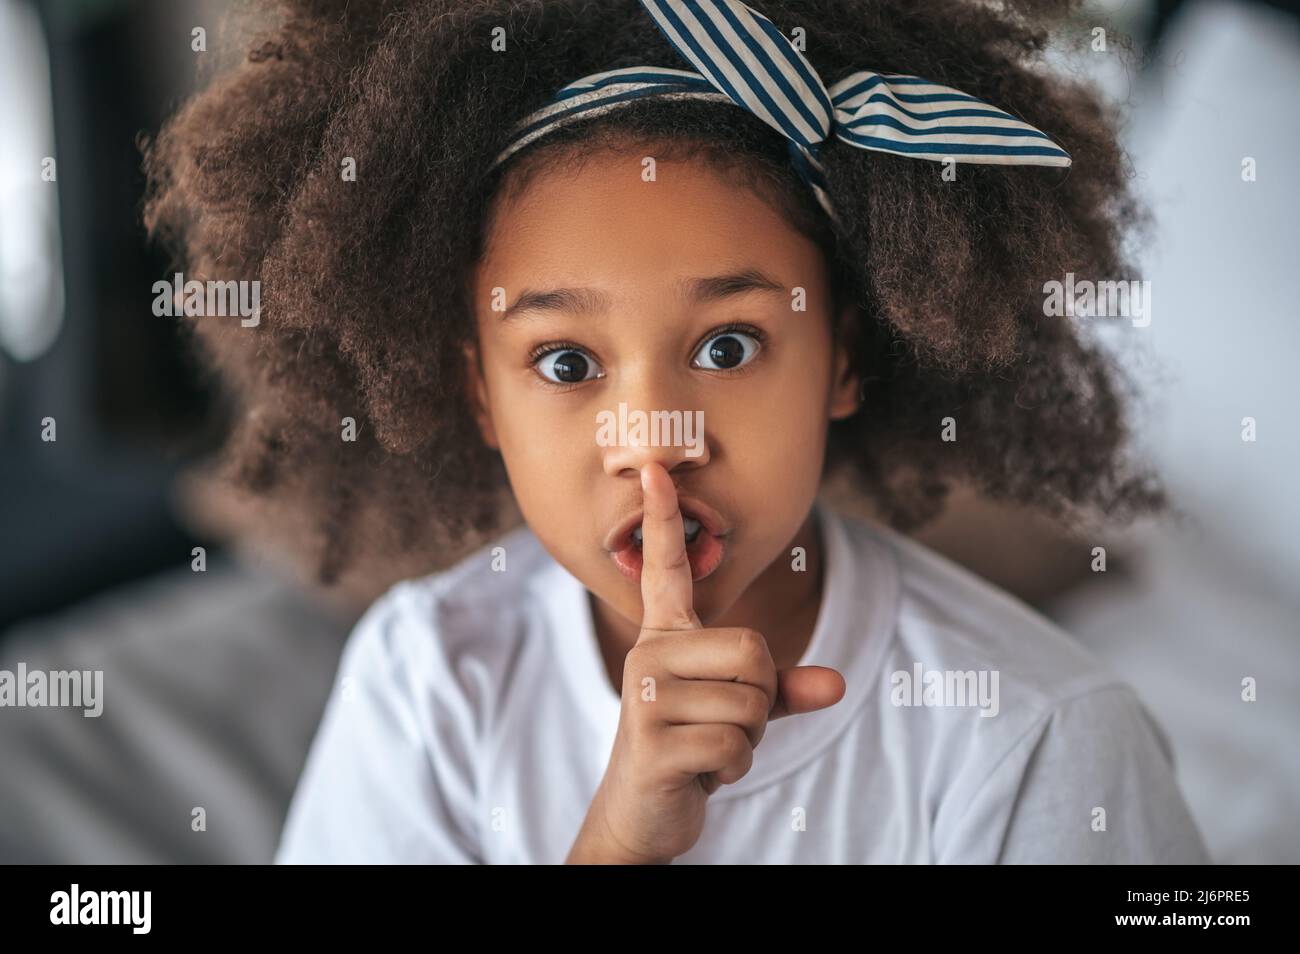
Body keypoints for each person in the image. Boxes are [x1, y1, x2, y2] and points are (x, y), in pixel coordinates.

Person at [143, 0, 1210, 863]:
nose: (652, 437)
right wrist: (617, 842)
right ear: (479, 397)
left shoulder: (1037, 738)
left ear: (840, 356)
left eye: (728, 347)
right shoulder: (427, 684)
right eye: (566, 363)